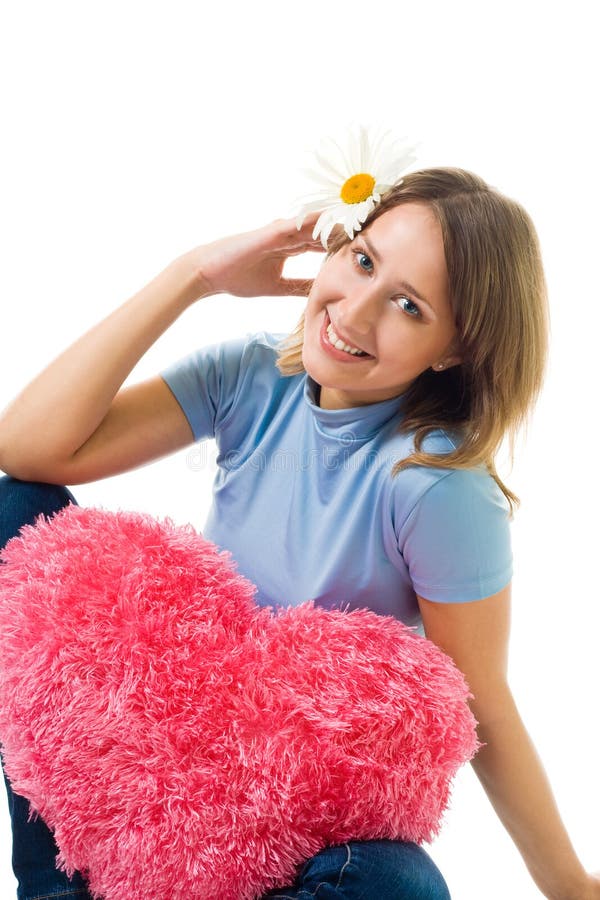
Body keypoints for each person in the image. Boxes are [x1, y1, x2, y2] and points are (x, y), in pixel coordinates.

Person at [0, 161, 599, 900]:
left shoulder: (436, 485)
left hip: (283, 804)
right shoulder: (254, 376)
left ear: (455, 350)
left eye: (408, 306)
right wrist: (194, 276)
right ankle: (58, 884)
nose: (355, 314)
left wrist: (571, 886)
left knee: (399, 884)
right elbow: (27, 452)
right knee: (18, 513)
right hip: (166, 746)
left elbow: (481, 703)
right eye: (363, 261)